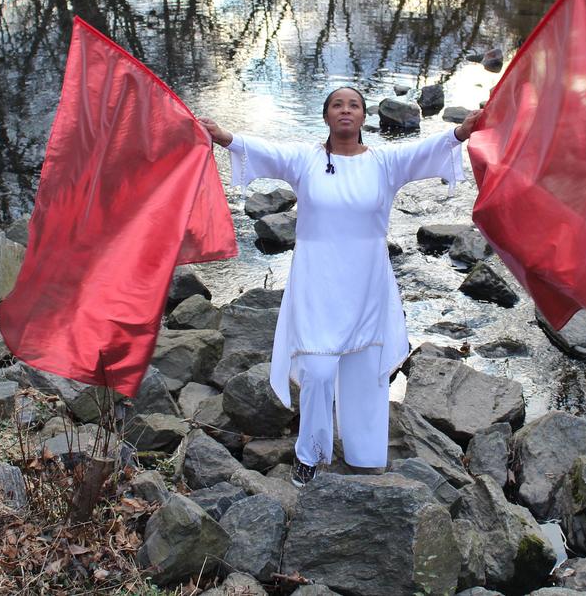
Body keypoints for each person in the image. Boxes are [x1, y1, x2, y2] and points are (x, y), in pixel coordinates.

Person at [200, 88, 481, 487]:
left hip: (367, 280)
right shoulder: (306, 159)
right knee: (316, 370)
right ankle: (310, 453)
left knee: (366, 368)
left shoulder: (384, 162)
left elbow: (428, 149)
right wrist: (223, 136)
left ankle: (365, 455)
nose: (345, 110)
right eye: (337, 104)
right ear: (326, 116)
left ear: (364, 116)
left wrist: (462, 132)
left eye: (353, 105)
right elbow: (264, 151)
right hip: (317, 280)